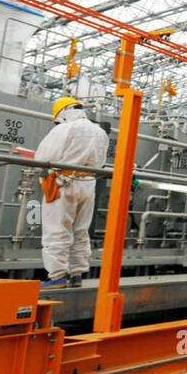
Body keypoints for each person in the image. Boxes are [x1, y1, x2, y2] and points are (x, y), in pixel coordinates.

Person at [36, 97, 109, 289]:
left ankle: (58, 275)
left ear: (62, 113)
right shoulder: (100, 132)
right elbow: (100, 163)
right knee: (80, 229)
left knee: (57, 228)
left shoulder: (63, 129)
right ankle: (77, 273)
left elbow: (43, 158)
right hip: (88, 182)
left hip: (63, 182)